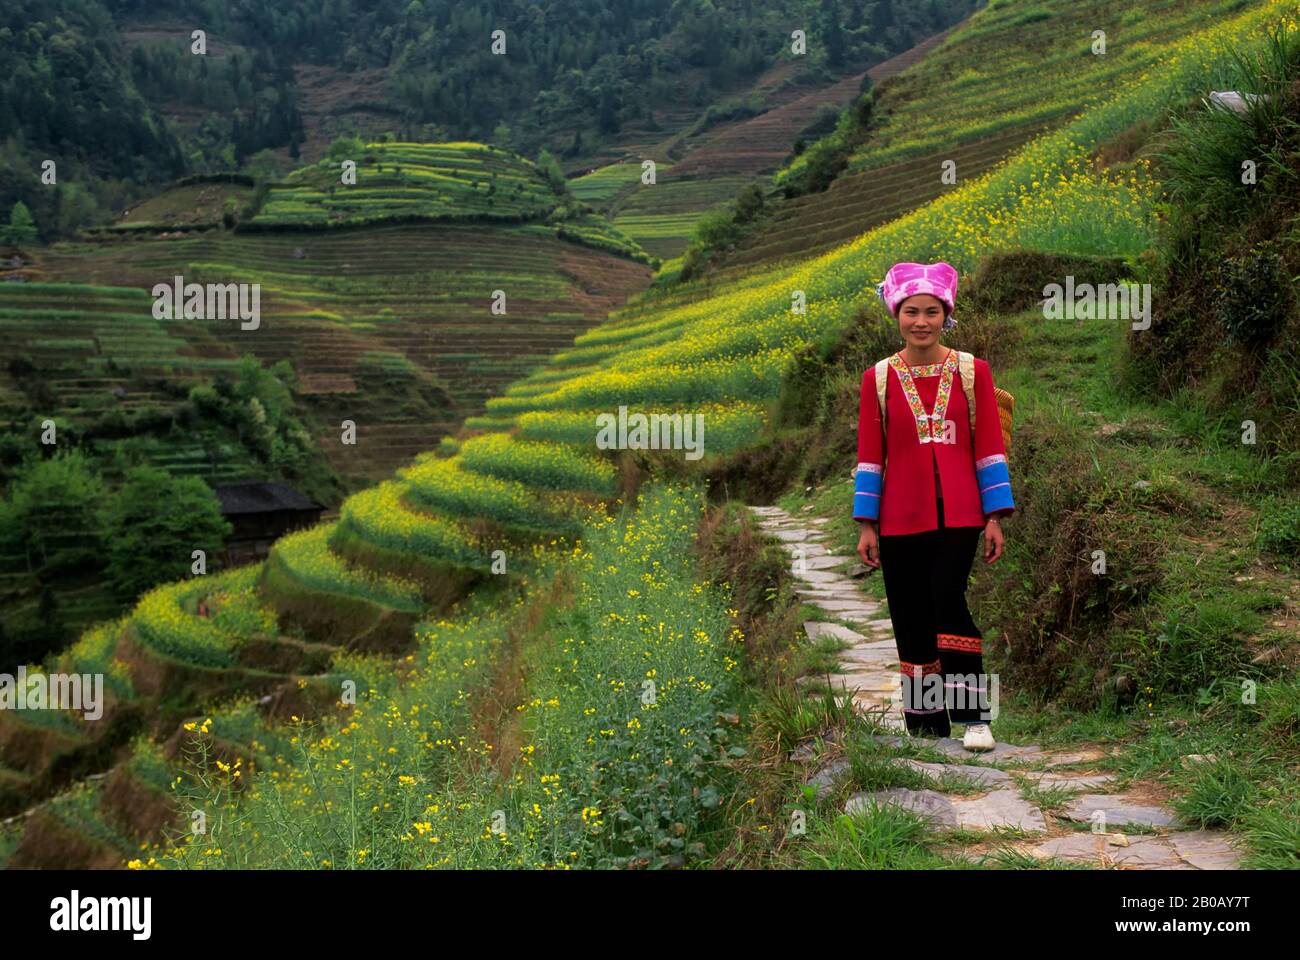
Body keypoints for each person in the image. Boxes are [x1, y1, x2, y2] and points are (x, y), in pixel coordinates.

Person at [852, 261, 1014, 751]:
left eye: (931, 312)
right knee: (909, 613)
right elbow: (870, 454)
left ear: (946, 314)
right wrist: (866, 525)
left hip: (960, 515)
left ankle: (975, 717)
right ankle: (925, 724)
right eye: (910, 312)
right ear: (895, 314)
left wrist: (995, 515)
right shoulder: (877, 378)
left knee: (948, 602)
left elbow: (987, 443)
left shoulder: (972, 371)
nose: (920, 321)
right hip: (898, 517)